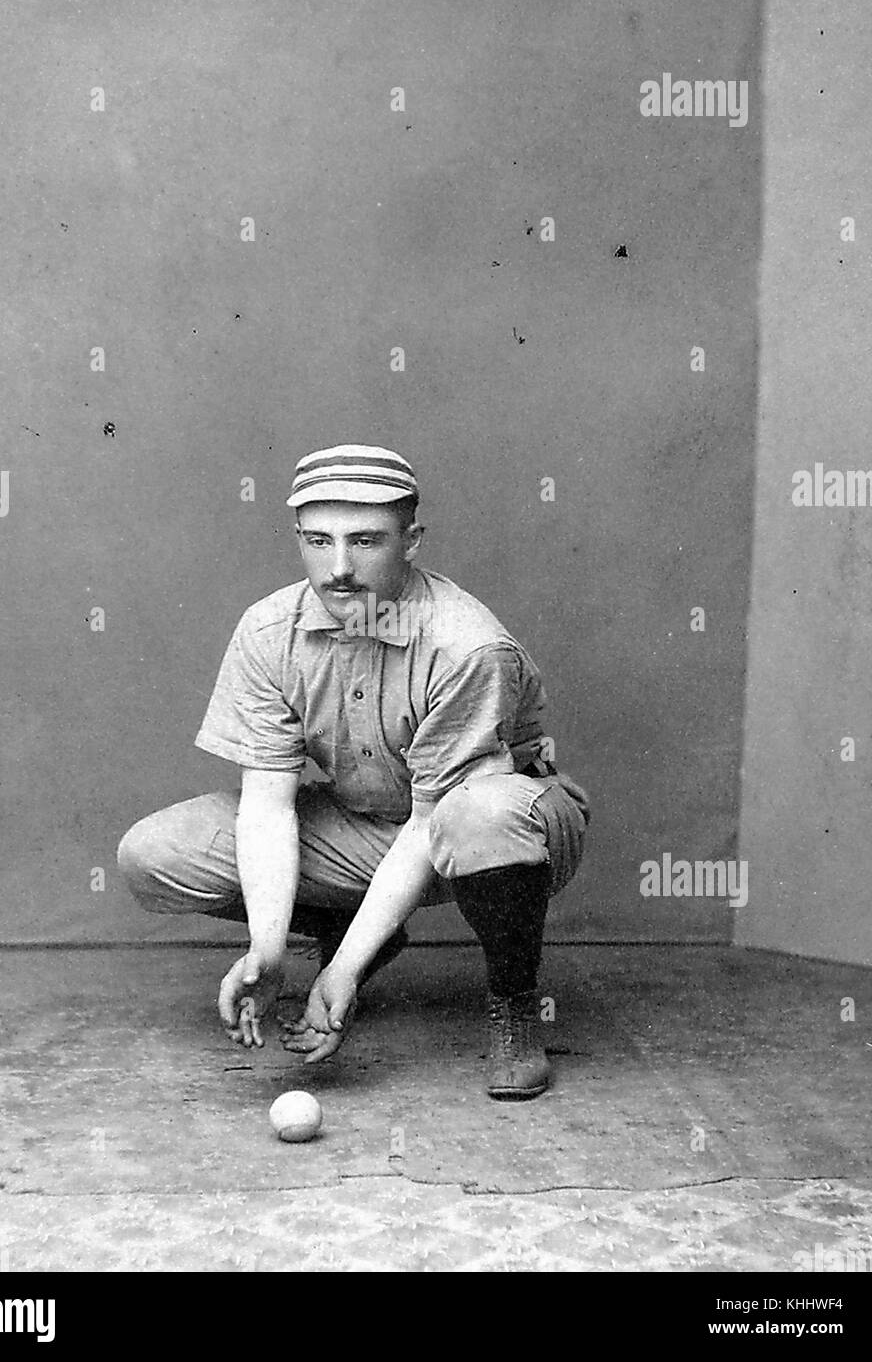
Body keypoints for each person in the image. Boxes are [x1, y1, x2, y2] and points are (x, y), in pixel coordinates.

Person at [117, 445, 590, 1098]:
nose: (338, 568)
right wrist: (269, 950)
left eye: (365, 541)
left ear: (411, 541)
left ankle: (513, 1008)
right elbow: (266, 807)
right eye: (318, 541)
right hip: (363, 830)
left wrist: (338, 975)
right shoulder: (267, 631)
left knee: (474, 814)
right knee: (154, 852)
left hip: (505, 831)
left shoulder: (466, 644)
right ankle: (358, 930)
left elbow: (431, 823)